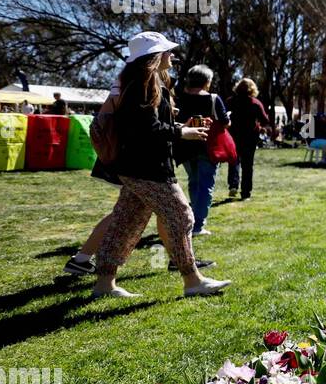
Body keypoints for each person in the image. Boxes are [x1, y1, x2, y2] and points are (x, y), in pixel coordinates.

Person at [91, 31, 230, 299]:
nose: (172, 55)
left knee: (126, 223)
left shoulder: (144, 81)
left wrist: (179, 127)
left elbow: (148, 126)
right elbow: (144, 129)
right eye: (167, 51)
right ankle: (193, 280)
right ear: (154, 57)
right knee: (181, 215)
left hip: (138, 166)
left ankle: (104, 284)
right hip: (147, 168)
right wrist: (182, 133)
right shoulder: (143, 84)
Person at [174, 64, 227, 236]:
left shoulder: (180, 97)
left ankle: (192, 220)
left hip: (185, 145)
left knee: (194, 182)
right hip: (207, 145)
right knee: (205, 186)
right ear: (207, 81)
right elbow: (225, 122)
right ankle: (198, 225)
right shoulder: (213, 98)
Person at [227, 77, 271, 200]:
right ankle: (245, 193)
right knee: (247, 165)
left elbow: (224, 116)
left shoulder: (231, 101)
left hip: (233, 135)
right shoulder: (255, 103)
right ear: (252, 89)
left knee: (234, 161)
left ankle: (233, 185)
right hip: (250, 137)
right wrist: (261, 126)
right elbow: (265, 119)